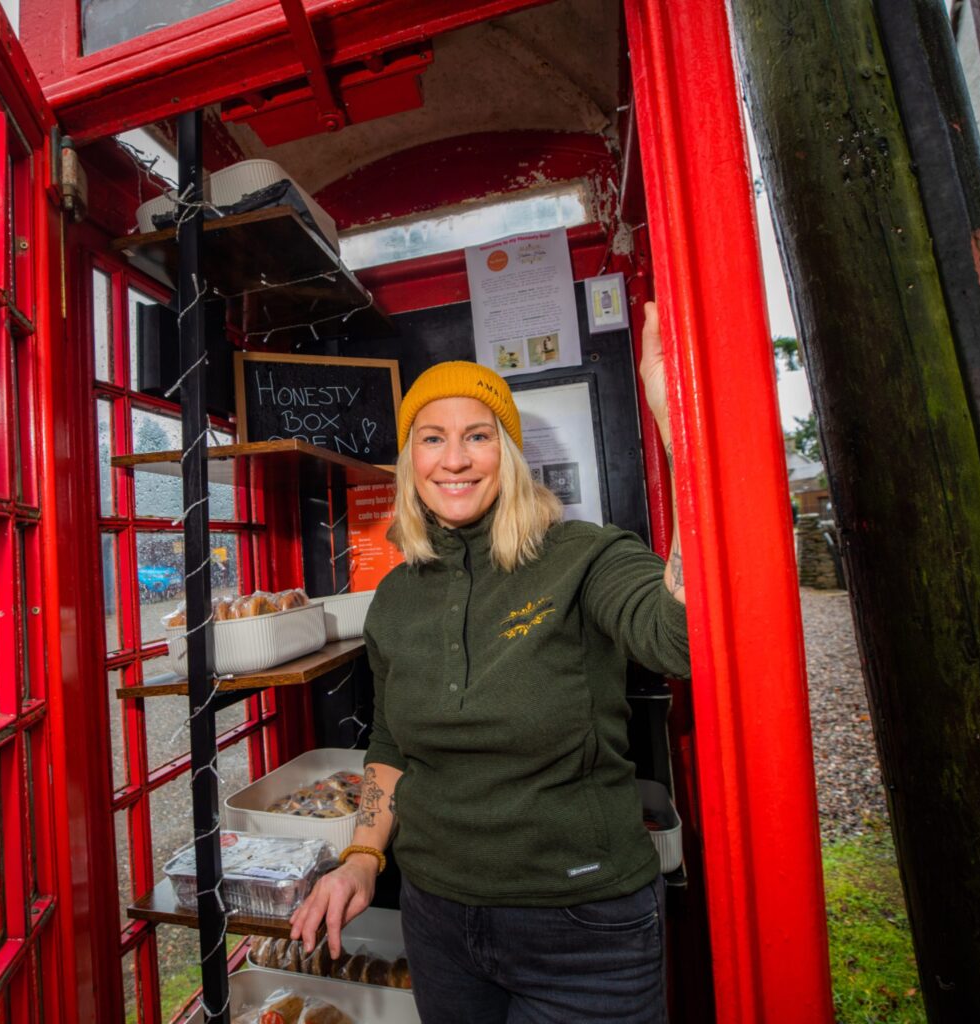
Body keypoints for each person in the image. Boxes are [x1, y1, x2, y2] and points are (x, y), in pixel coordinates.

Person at [289, 302, 690, 1023]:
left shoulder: (584, 556)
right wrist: (363, 857)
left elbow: (682, 637)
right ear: (410, 459)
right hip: (438, 921)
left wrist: (683, 438)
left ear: (507, 451)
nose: (455, 458)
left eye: (478, 435)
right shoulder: (394, 599)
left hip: (583, 925)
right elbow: (389, 747)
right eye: (432, 438)